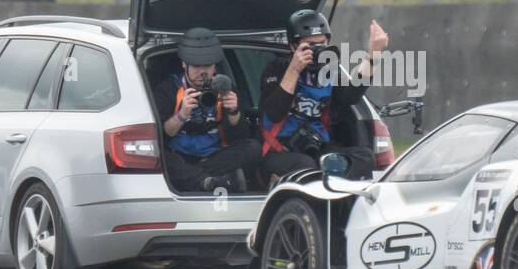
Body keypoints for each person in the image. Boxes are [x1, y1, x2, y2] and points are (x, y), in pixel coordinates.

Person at [258, 10, 389, 187]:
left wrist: (373, 55)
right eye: (310, 45)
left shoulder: (329, 71)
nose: (317, 50)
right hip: (279, 150)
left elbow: (351, 95)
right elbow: (275, 112)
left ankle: (339, 199)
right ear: (293, 47)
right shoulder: (276, 69)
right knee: (307, 166)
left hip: (317, 147)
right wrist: (294, 69)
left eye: (322, 44)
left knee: (364, 158)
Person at [151, 27, 260, 193]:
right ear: (184, 64)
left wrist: (233, 113)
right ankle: (210, 181)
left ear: (215, 66)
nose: (202, 72)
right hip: (179, 156)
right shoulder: (167, 90)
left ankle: (202, 181)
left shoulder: (225, 88)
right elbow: (161, 136)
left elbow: (239, 138)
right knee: (160, 157)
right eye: (195, 66)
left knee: (252, 148)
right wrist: (182, 115)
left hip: (214, 157)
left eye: (208, 66)